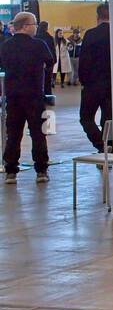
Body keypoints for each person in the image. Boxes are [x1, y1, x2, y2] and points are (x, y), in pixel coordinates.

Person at [1, 11, 54, 183]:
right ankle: (41, 171)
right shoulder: (39, 45)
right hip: (34, 96)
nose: (36, 27)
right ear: (25, 26)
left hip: (13, 96)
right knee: (38, 133)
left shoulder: (5, 46)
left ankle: (10, 172)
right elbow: (50, 61)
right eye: (34, 24)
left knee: (14, 134)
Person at [77, 3, 113, 153]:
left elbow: (83, 60)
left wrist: (83, 81)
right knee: (109, 118)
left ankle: (101, 146)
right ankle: (110, 148)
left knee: (86, 118)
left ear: (97, 17)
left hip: (92, 84)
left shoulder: (90, 34)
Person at [35, 19, 56, 95]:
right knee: (48, 80)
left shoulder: (35, 37)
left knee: (38, 80)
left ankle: (39, 96)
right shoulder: (50, 37)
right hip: (48, 61)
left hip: (37, 62)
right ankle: (48, 96)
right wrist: (54, 60)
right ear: (46, 27)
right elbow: (53, 50)